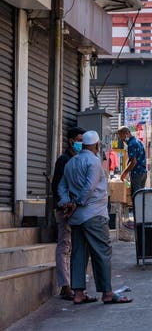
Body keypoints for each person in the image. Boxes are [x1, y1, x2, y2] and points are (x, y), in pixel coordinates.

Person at [58, 130, 132, 305]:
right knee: (102, 252)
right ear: (97, 145)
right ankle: (107, 292)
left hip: (76, 217)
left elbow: (62, 186)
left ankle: (78, 293)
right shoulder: (94, 161)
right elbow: (89, 187)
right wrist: (78, 202)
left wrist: (66, 202)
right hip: (93, 214)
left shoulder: (71, 162)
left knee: (78, 253)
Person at [51, 126, 85, 300]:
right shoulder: (64, 160)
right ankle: (65, 286)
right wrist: (65, 205)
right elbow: (56, 186)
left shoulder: (79, 159)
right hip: (65, 209)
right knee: (64, 246)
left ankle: (73, 283)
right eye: (79, 140)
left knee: (72, 247)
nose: (82, 143)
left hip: (77, 210)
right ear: (71, 141)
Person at [117, 126, 147, 209]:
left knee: (136, 198)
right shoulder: (138, 141)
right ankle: (141, 218)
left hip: (137, 173)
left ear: (126, 133)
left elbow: (133, 162)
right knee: (140, 197)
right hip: (143, 173)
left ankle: (138, 219)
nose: (122, 140)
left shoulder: (131, 144)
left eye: (121, 137)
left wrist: (124, 174)